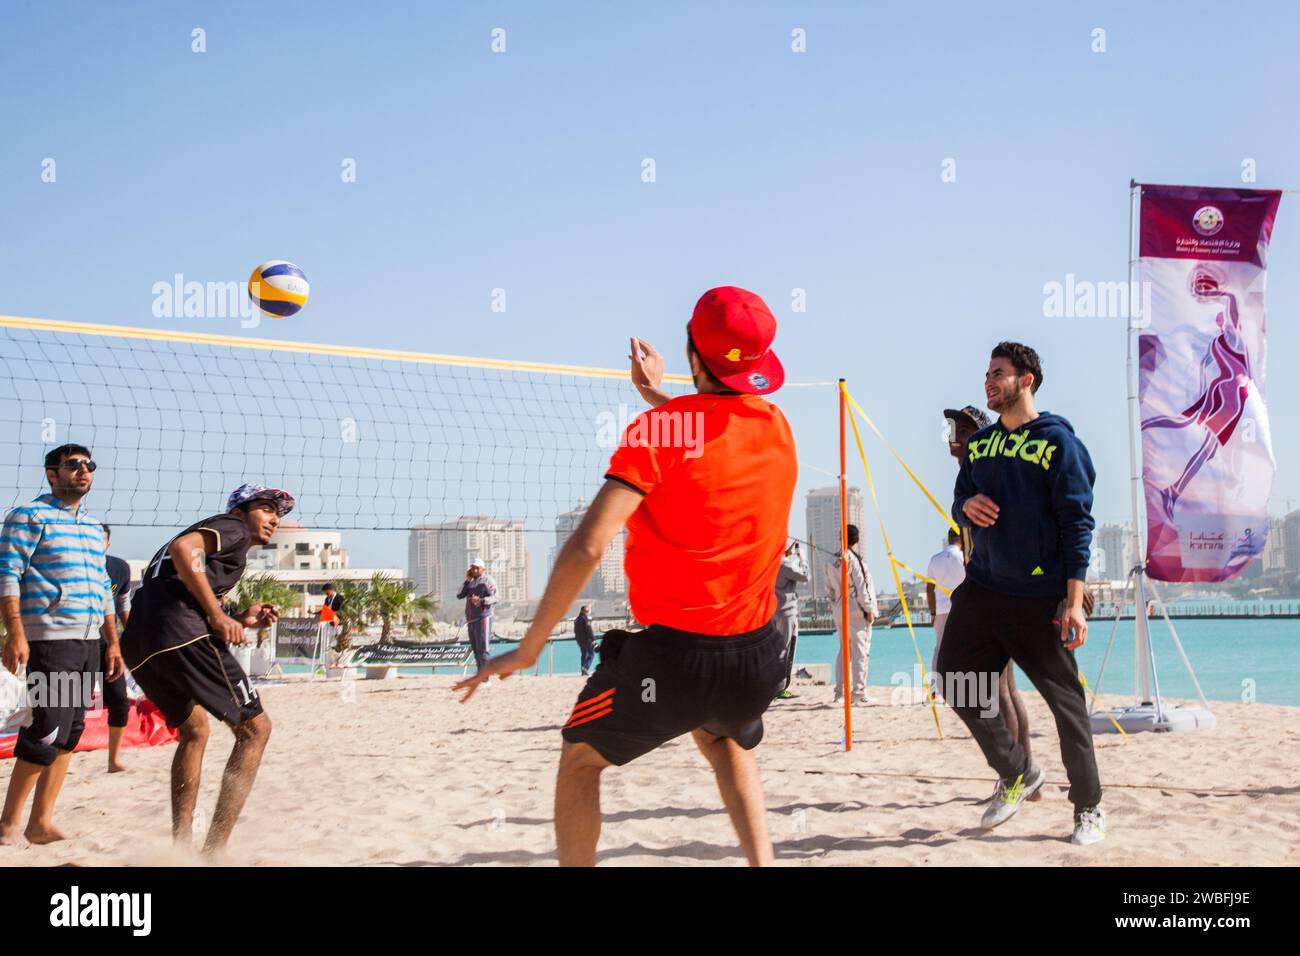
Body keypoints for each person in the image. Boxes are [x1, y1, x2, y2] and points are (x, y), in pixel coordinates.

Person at [454, 285, 797, 867]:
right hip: (762, 659)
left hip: (678, 659)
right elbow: (717, 427)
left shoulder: (659, 432)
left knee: (580, 758)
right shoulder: (777, 425)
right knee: (725, 738)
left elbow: (589, 544)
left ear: (693, 357)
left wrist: (530, 647)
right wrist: (656, 395)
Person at [937, 341, 1105, 845]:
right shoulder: (982, 445)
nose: (989, 381)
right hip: (984, 589)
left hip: (1040, 596)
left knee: (1066, 706)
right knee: (955, 679)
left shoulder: (1059, 443)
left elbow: (1078, 524)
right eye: (986, 373)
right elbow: (959, 497)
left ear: (1026, 380)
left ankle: (1089, 808)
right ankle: (1015, 772)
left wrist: (1074, 601)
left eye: (999, 373)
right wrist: (967, 506)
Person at [120, 483, 292, 854]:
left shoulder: (210, 541)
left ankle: (180, 847)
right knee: (255, 730)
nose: (274, 518)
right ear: (239, 510)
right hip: (183, 637)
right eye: (265, 508)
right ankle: (214, 852)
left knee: (194, 730)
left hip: (141, 645)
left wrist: (237, 617)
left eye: (278, 513)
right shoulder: (232, 529)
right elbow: (186, 551)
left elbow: (178, 583)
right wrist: (215, 615)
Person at [0, 444, 122, 846]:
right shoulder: (28, 516)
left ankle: (40, 822)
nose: (84, 471)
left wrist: (113, 643)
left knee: (69, 732)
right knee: (45, 729)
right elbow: (7, 573)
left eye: (89, 465)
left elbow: (104, 587)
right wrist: (15, 631)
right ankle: (7, 825)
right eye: (73, 466)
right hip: (51, 638)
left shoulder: (90, 527)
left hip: (88, 642)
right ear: (52, 474)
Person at [944, 404, 1032, 768]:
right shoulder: (972, 474)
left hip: (998, 588)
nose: (954, 438)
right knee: (1003, 687)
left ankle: (1018, 772)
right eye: (954, 431)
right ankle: (1024, 768)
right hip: (988, 589)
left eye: (963, 432)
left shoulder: (986, 473)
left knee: (996, 688)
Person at [827, 524, 877, 705]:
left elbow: (829, 590)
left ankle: (840, 692)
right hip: (856, 609)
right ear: (857, 539)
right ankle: (859, 692)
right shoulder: (856, 560)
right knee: (860, 652)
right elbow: (862, 588)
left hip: (840, 607)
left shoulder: (832, 560)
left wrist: (835, 608)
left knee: (844, 651)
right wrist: (869, 610)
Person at [102, 524, 133, 773]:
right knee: (70, 706)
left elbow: (123, 604)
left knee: (120, 701)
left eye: (101, 541)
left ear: (108, 544)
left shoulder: (119, 568)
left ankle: (113, 761)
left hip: (108, 645)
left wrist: (134, 634)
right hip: (76, 644)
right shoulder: (72, 567)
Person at [924, 528, 965, 677]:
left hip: (941, 609)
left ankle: (936, 687)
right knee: (963, 646)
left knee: (940, 647)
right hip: (961, 608)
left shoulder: (935, 559)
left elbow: (929, 589)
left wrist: (932, 612)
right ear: (962, 538)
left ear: (948, 539)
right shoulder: (964, 558)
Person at [773, 541, 808, 698]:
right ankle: (780, 688)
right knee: (787, 649)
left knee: (777, 648)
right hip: (787, 612)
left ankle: (773, 686)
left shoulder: (771, 563)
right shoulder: (786, 565)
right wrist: (802, 558)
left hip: (774, 611)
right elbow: (805, 576)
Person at [457, 559, 497, 673]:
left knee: (484, 649)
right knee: (476, 650)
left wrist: (481, 600)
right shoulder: (470, 582)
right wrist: (467, 580)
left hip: (484, 617)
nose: (474, 570)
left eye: (477, 568)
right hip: (471, 619)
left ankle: (485, 678)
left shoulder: (488, 580)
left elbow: (496, 598)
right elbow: (459, 595)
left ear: (483, 569)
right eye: (472, 568)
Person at [574, 605, 596, 676]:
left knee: (584, 655)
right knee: (592, 654)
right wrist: (593, 639)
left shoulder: (577, 619)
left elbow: (575, 631)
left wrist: (577, 639)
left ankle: (583, 672)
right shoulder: (585, 619)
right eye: (586, 611)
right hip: (586, 640)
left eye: (588, 611)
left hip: (580, 641)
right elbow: (589, 630)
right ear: (582, 611)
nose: (587, 612)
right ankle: (585, 668)